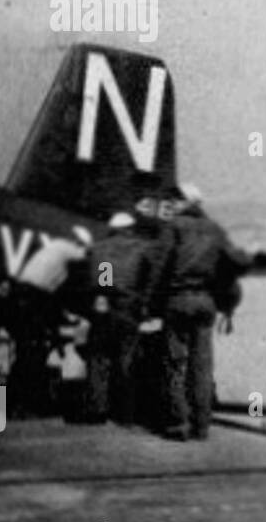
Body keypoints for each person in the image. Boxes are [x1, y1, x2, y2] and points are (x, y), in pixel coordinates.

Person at [162, 183, 252, 441]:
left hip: (178, 301)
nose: (173, 203)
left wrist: (145, 300)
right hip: (205, 303)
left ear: (190, 202)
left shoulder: (174, 227)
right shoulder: (215, 229)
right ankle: (201, 426)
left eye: (177, 199)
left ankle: (179, 424)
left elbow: (160, 264)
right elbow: (239, 262)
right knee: (201, 365)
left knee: (175, 363)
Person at [85, 212, 170, 426]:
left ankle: (98, 410)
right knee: (127, 359)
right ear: (130, 228)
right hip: (130, 308)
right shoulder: (143, 248)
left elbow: (103, 280)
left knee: (99, 359)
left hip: (106, 307)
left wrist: (104, 299)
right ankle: (125, 412)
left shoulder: (101, 248)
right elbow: (152, 276)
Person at [14, 226, 93, 416]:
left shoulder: (53, 249)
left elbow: (56, 293)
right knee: (35, 350)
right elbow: (87, 266)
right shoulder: (69, 250)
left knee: (28, 348)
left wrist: (61, 315)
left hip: (23, 294)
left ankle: (19, 402)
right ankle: (30, 403)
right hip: (35, 297)